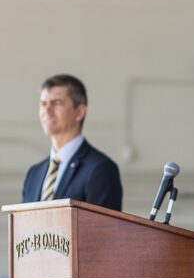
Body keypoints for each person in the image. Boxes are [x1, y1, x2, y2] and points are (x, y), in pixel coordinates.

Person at [22, 74, 124, 210]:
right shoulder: (34, 173)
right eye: (43, 104)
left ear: (80, 112)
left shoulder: (101, 169)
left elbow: (102, 230)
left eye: (57, 103)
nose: (47, 110)